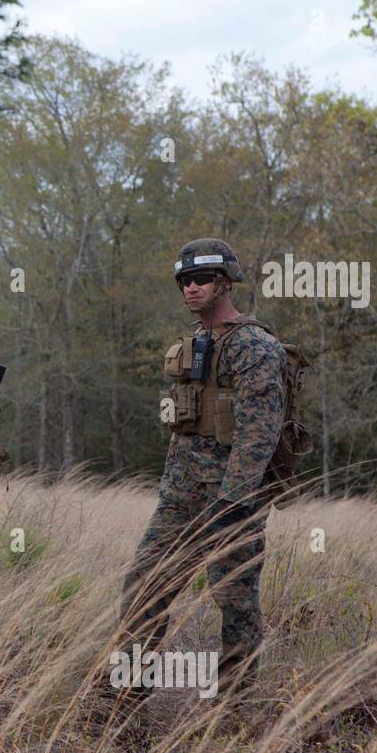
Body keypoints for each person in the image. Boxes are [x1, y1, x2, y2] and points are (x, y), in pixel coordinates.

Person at [116, 238, 287, 706]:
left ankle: (236, 704)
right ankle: (125, 691)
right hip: (181, 495)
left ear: (225, 282)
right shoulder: (194, 345)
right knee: (143, 584)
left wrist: (232, 502)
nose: (190, 288)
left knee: (234, 601)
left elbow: (259, 435)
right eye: (184, 281)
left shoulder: (254, 345)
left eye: (201, 279)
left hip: (230, 499)